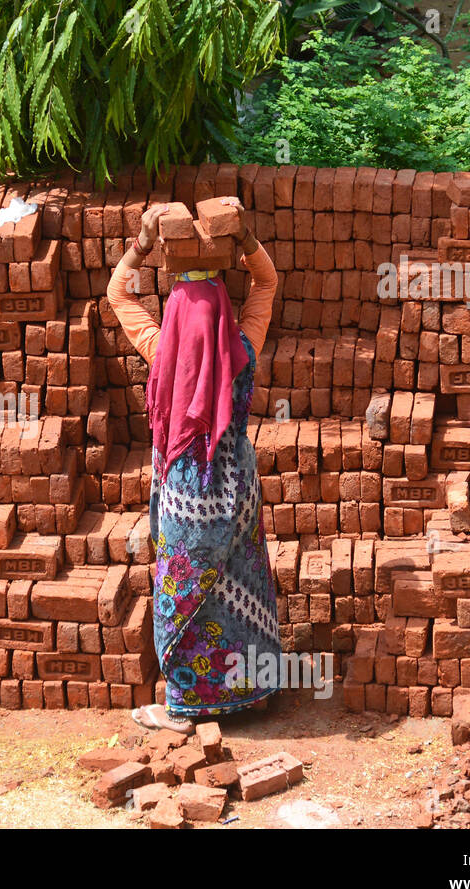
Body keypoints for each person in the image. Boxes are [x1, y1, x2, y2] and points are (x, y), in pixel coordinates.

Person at [107, 197, 280, 733]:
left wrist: (142, 242)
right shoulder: (243, 345)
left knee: (182, 594)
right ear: (224, 309)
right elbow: (267, 284)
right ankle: (249, 693)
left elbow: (116, 293)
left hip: (186, 492)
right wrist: (246, 240)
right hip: (237, 486)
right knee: (240, 582)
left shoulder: (161, 349)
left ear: (175, 315)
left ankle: (182, 707)